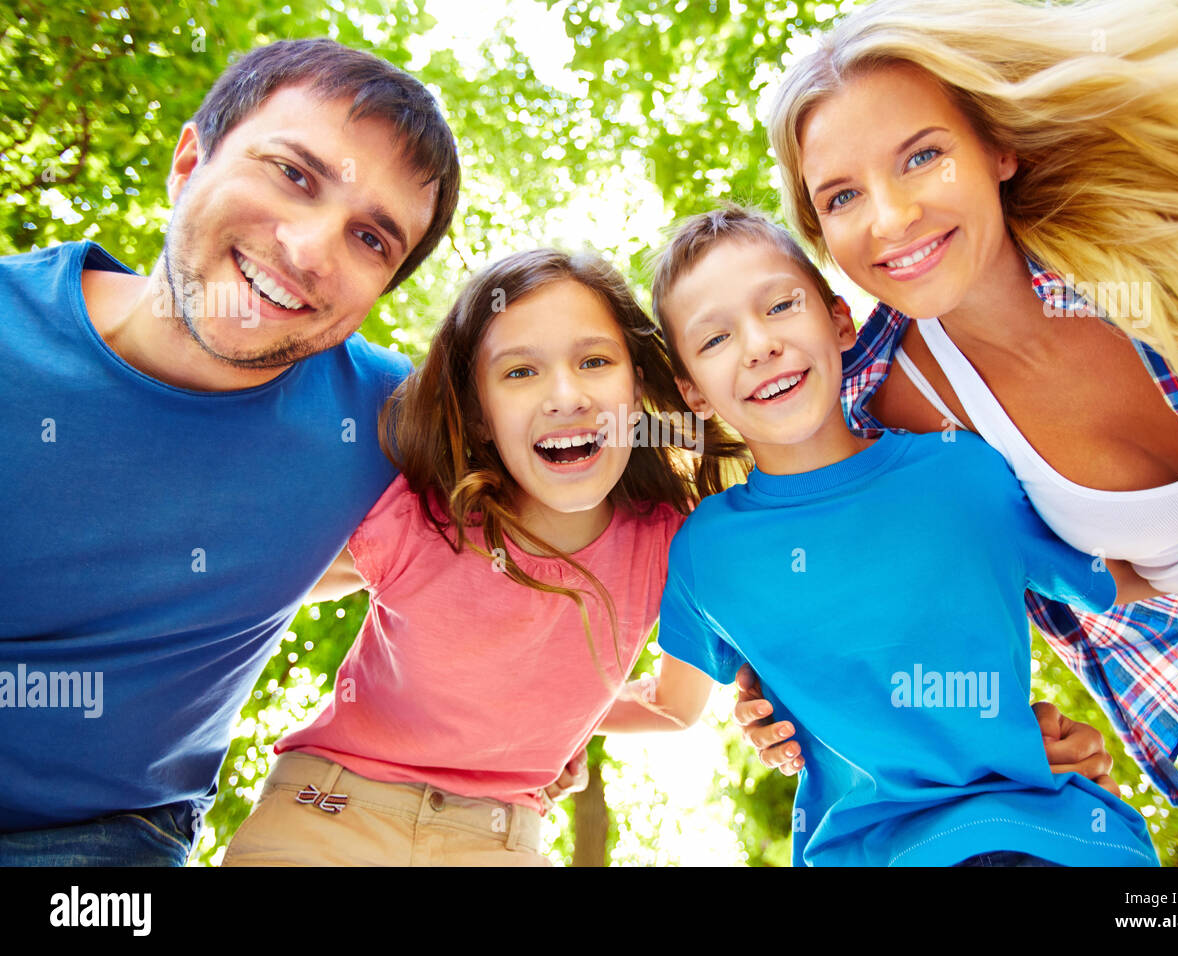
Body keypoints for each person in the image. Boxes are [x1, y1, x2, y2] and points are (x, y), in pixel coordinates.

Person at [743, 0, 1178, 806]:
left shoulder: (1161, 230)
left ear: (996, 146)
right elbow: (838, 580)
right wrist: (776, 693)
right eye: (841, 197)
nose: (891, 218)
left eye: (922, 155)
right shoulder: (897, 412)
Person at [0, 38, 460, 865]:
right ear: (189, 160)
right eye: (292, 173)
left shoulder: (397, 422)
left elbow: (582, 507)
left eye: (372, 240)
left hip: (106, 839)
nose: (312, 249)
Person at [651, 205, 1160, 866]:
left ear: (839, 320)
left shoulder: (963, 469)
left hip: (1039, 829)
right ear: (692, 391)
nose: (757, 345)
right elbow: (692, 695)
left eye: (779, 306)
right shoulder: (704, 552)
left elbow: (1119, 578)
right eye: (715, 339)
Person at [219, 249, 748, 866]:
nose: (565, 394)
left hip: (498, 838)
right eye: (520, 372)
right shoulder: (418, 518)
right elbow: (239, 594)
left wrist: (552, 723)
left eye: (595, 361)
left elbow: (673, 708)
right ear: (478, 413)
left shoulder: (675, 541)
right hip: (330, 808)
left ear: (637, 386)